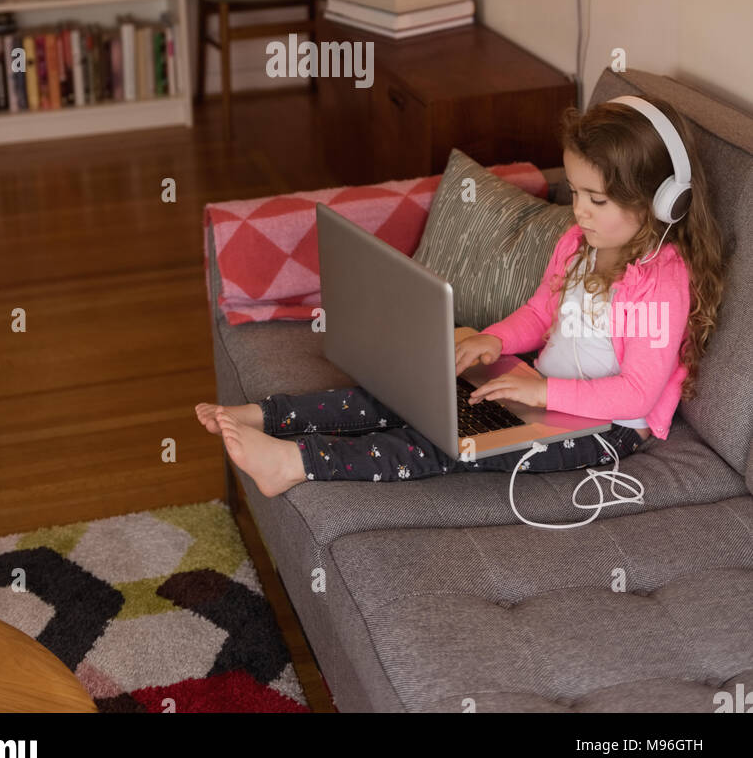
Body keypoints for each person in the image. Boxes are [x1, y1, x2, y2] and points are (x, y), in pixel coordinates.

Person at [196, 97, 725, 497]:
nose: (578, 209)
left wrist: (543, 394)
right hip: (541, 391)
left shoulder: (663, 280)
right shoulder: (578, 242)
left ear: (662, 203)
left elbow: (636, 393)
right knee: (407, 393)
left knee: (441, 443)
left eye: (597, 199)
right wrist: (494, 340)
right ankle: (267, 417)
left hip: (605, 431)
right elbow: (542, 312)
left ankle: (295, 463)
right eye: (575, 191)